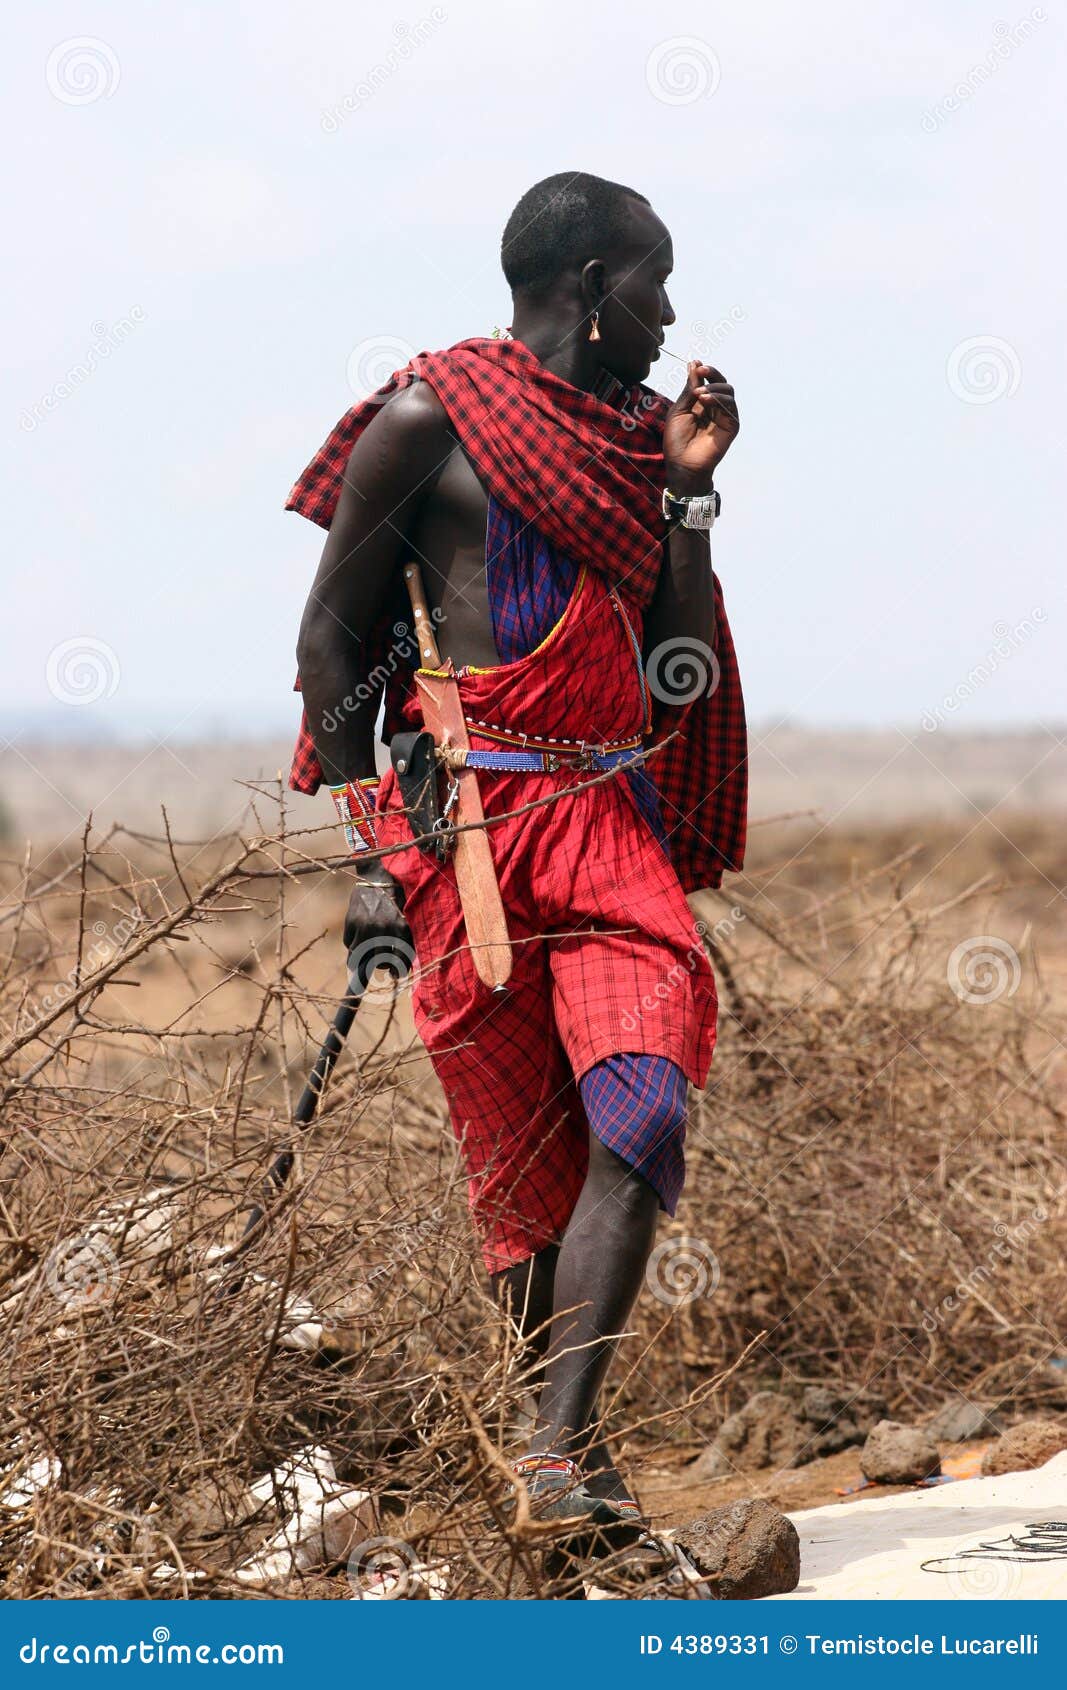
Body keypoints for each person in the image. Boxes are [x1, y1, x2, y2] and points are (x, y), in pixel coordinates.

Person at [291, 172, 746, 1546]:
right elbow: (331, 646)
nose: (669, 315)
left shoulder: (629, 449)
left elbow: (679, 666)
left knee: (646, 1099)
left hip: (609, 820)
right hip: (466, 838)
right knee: (525, 1160)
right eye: (654, 282)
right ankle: (569, 1462)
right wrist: (374, 852)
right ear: (594, 283)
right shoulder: (424, 422)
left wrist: (687, 499)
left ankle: (552, 1452)